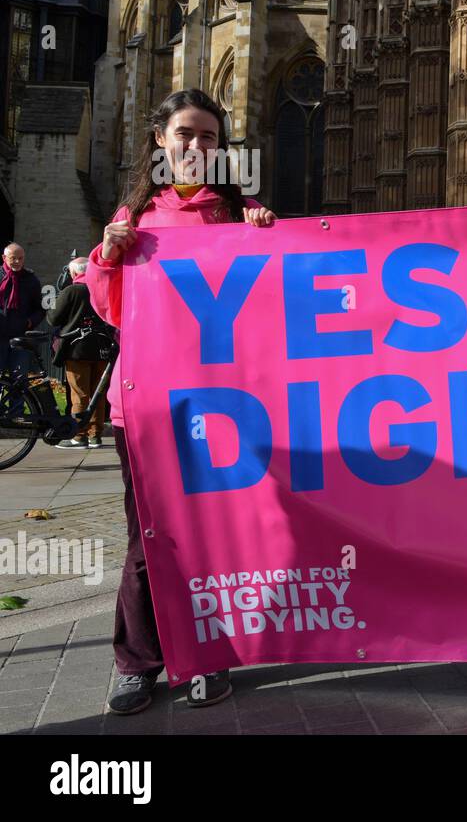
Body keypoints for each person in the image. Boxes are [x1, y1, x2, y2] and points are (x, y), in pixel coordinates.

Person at [85, 88, 276, 716]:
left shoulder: (235, 213)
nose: (197, 146)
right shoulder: (135, 214)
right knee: (148, 538)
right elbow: (111, 309)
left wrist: (266, 237)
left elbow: (269, 308)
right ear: (161, 141)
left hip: (220, 405)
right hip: (142, 405)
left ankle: (207, 655)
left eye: (210, 137)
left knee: (212, 533)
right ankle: (136, 664)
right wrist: (107, 257)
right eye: (186, 134)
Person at [47, 257, 115, 450]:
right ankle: (96, 435)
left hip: (77, 348)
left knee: (80, 393)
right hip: (102, 347)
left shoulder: (72, 290)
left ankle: (79, 435)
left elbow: (53, 318)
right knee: (98, 393)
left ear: (74, 273)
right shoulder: (102, 288)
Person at [1, 242, 44, 381]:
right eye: (13, 258)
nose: (17, 261)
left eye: (21, 258)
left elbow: (40, 308)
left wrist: (29, 322)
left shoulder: (31, 280)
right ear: (4, 258)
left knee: (19, 379)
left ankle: (18, 404)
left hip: (20, 337)